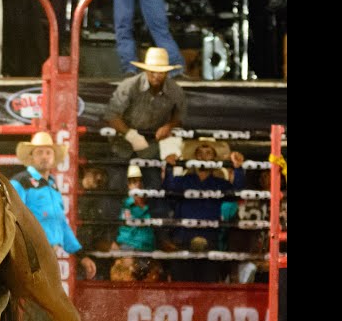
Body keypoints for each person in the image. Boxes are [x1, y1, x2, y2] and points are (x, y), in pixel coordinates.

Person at [9, 131, 81, 321]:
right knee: (41, 313)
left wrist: (78, 252)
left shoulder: (50, 185)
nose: (44, 156)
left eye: (48, 152)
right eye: (40, 152)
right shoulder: (21, 183)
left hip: (46, 257)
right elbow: (12, 216)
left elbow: (61, 224)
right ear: (31, 156)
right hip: (33, 255)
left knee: (39, 314)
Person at [103, 46, 187, 195]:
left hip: (150, 145)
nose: (156, 76)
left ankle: (155, 209)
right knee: (115, 185)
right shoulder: (130, 86)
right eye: (152, 71)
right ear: (146, 71)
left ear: (167, 73)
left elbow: (180, 116)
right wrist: (130, 134)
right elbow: (111, 115)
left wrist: (169, 126)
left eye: (161, 72)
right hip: (121, 143)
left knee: (155, 187)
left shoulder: (175, 91)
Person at [161, 138, 246, 283]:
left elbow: (237, 193)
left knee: (207, 287)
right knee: (182, 286)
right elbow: (168, 193)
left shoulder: (220, 184)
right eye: (200, 153)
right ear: (195, 156)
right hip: (183, 241)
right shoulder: (183, 181)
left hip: (209, 241)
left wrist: (238, 168)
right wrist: (169, 167)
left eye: (208, 153)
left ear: (214, 157)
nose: (203, 156)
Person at [114, 164, 155, 253]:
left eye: (140, 181)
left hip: (148, 248)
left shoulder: (152, 204)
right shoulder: (125, 205)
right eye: (134, 181)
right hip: (129, 247)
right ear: (128, 185)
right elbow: (126, 234)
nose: (138, 184)